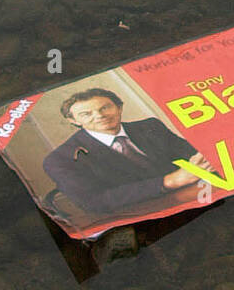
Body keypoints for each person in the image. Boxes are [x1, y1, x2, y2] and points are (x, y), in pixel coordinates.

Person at [43, 87, 209, 218]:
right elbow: (94, 202)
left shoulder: (150, 126)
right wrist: (169, 181)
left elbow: (192, 154)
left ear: (119, 107)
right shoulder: (59, 159)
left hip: (190, 198)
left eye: (105, 107)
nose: (100, 116)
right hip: (137, 218)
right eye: (86, 114)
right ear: (73, 121)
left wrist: (202, 159)